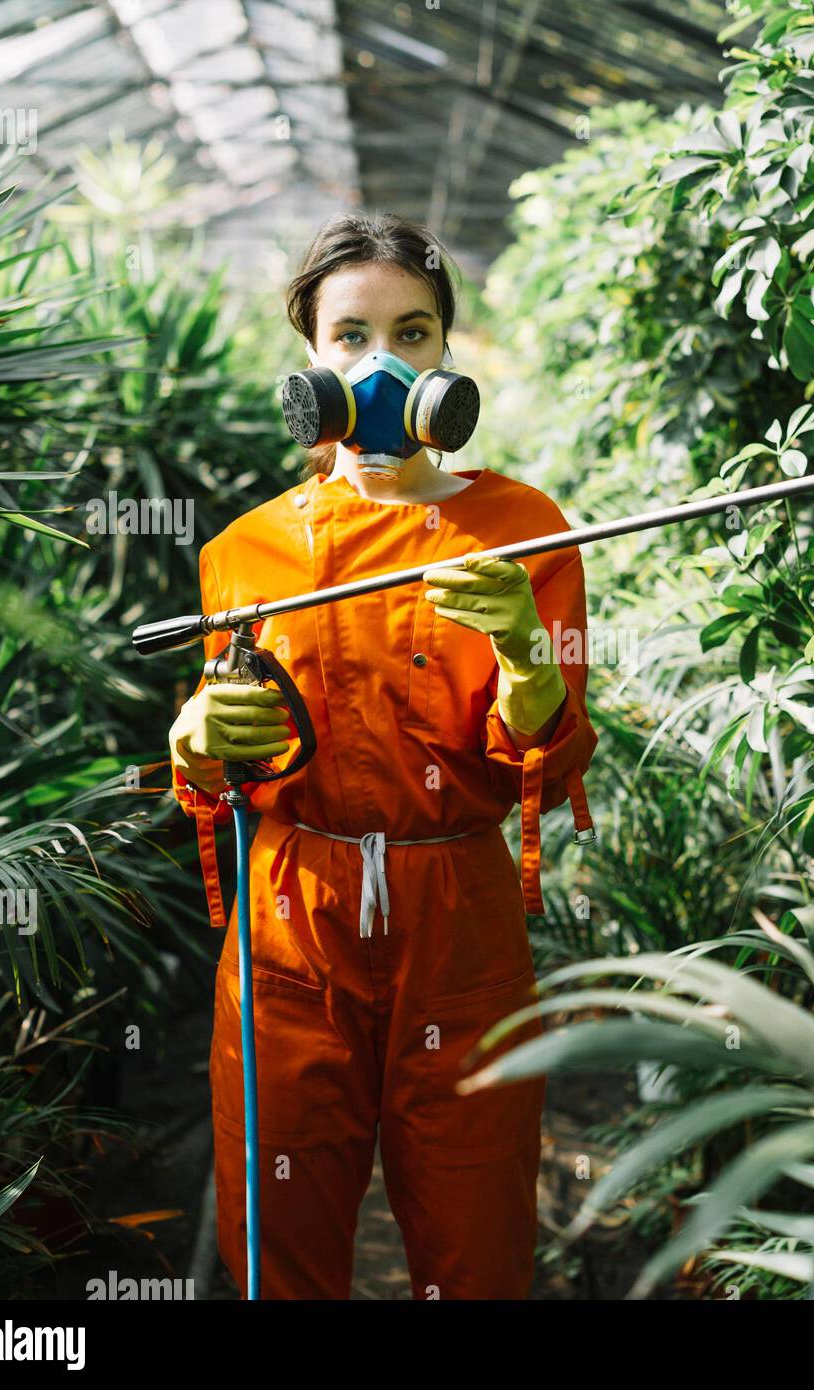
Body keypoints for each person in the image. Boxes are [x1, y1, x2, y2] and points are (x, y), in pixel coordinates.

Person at [166, 211, 597, 1299]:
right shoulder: (245, 550)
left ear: (447, 354)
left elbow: (539, 753)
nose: (379, 363)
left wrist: (524, 656)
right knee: (279, 1236)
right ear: (309, 363)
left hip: (456, 915)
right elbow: (226, 764)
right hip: (288, 926)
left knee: (477, 1234)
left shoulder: (522, 527)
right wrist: (199, 743)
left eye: (411, 333)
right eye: (349, 336)